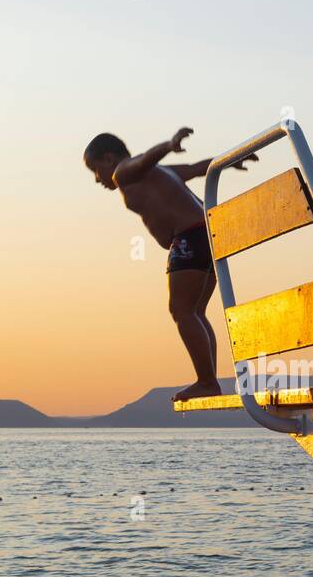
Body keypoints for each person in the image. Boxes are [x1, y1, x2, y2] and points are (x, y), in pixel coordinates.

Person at [83, 127, 257, 401]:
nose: (97, 179)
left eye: (95, 169)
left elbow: (143, 160)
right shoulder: (160, 173)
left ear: (108, 159)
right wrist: (229, 160)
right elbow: (196, 168)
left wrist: (168, 144)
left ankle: (206, 381)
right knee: (196, 311)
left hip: (189, 238)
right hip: (209, 236)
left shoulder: (124, 171)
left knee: (181, 310)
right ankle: (208, 381)